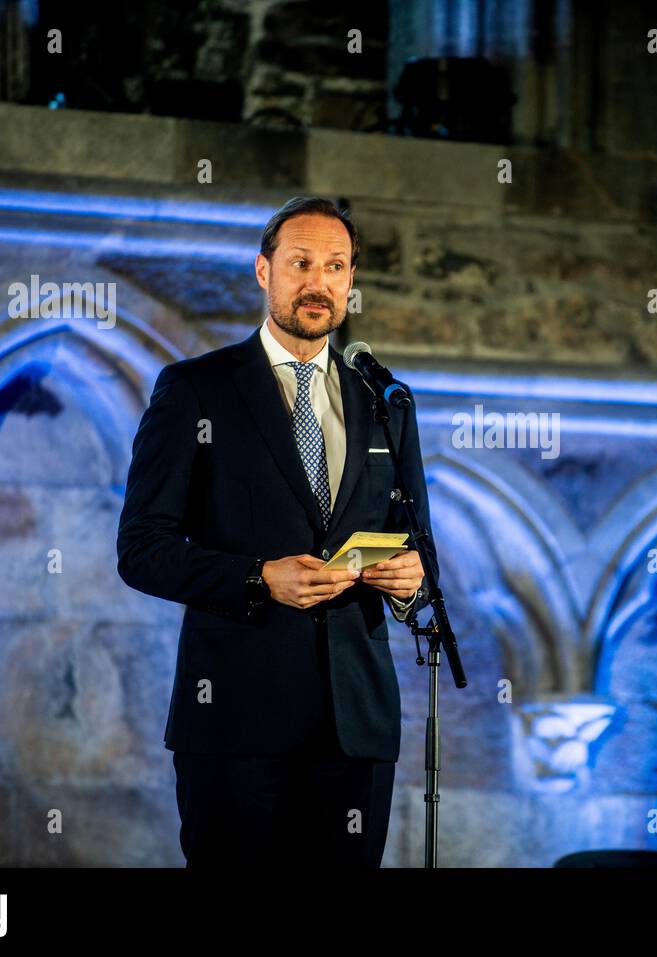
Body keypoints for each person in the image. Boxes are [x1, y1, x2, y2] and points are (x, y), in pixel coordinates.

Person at [116, 196, 436, 868]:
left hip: (357, 728)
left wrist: (410, 582)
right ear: (265, 272)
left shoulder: (386, 402)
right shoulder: (195, 390)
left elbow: (417, 546)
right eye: (301, 263)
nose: (318, 281)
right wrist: (257, 577)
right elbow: (141, 549)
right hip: (235, 724)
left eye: (336, 265)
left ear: (350, 282)